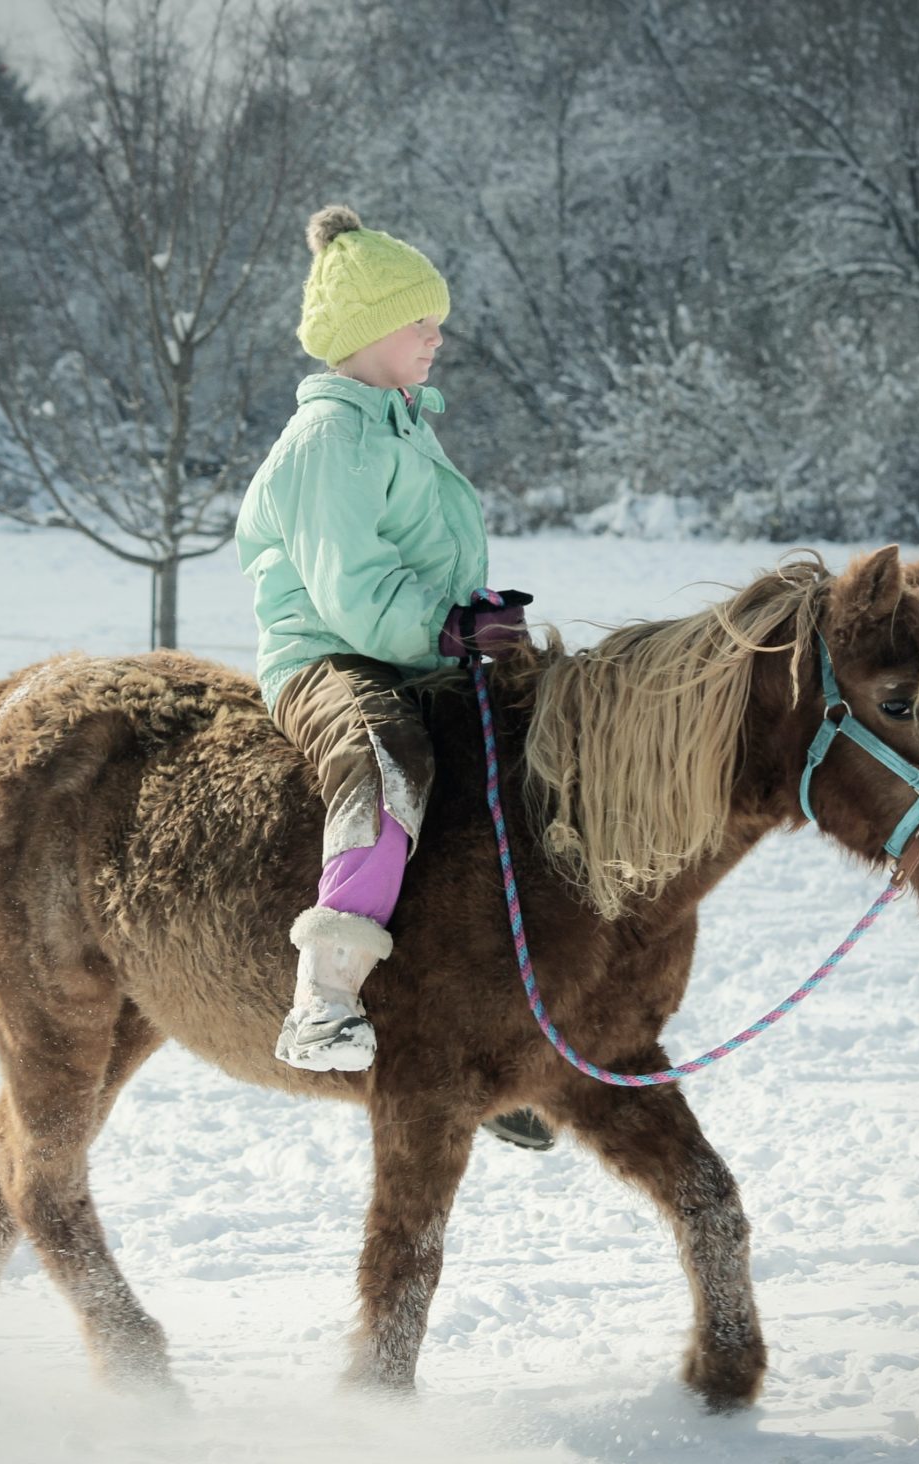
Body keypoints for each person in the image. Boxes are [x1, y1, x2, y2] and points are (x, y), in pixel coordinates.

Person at [234, 206, 551, 1148]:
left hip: (408, 646)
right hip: (329, 654)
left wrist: (479, 612)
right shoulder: (328, 443)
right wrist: (448, 626)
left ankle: (510, 1018)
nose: (437, 336)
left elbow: (425, 554)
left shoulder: (401, 427)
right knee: (389, 759)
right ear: (368, 331)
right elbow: (350, 589)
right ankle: (325, 997)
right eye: (422, 321)